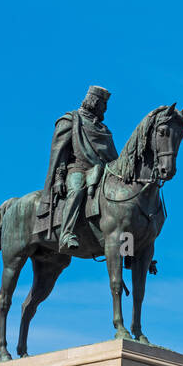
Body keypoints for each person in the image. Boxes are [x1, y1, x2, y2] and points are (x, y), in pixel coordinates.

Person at [36, 85, 119, 250]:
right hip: (77, 169)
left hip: (102, 172)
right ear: (95, 103)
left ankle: (132, 245)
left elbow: (114, 159)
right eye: (104, 104)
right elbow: (59, 153)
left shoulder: (103, 129)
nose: (106, 109)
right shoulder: (70, 120)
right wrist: (59, 178)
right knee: (77, 190)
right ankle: (66, 234)